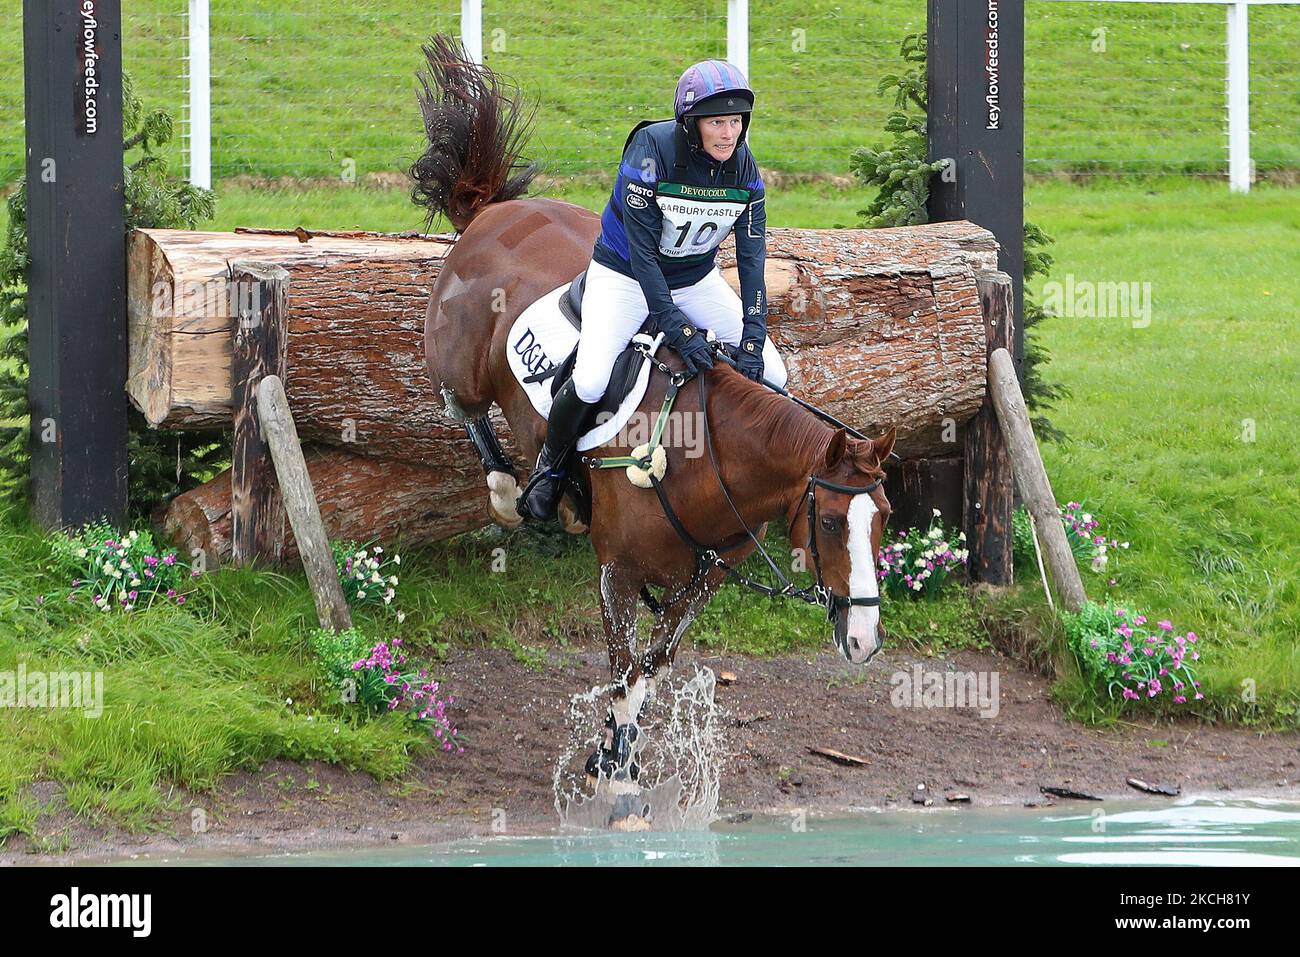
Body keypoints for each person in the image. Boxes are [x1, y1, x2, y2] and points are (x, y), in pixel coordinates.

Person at [520, 59, 787, 522]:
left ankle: (743, 477)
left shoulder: (744, 167)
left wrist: (753, 332)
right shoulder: (649, 150)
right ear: (690, 124)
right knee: (590, 380)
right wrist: (677, 330)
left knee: (774, 375)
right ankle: (550, 470)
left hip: (695, 280)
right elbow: (643, 257)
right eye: (716, 121)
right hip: (624, 277)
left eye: (736, 121)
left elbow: (751, 256)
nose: (729, 133)